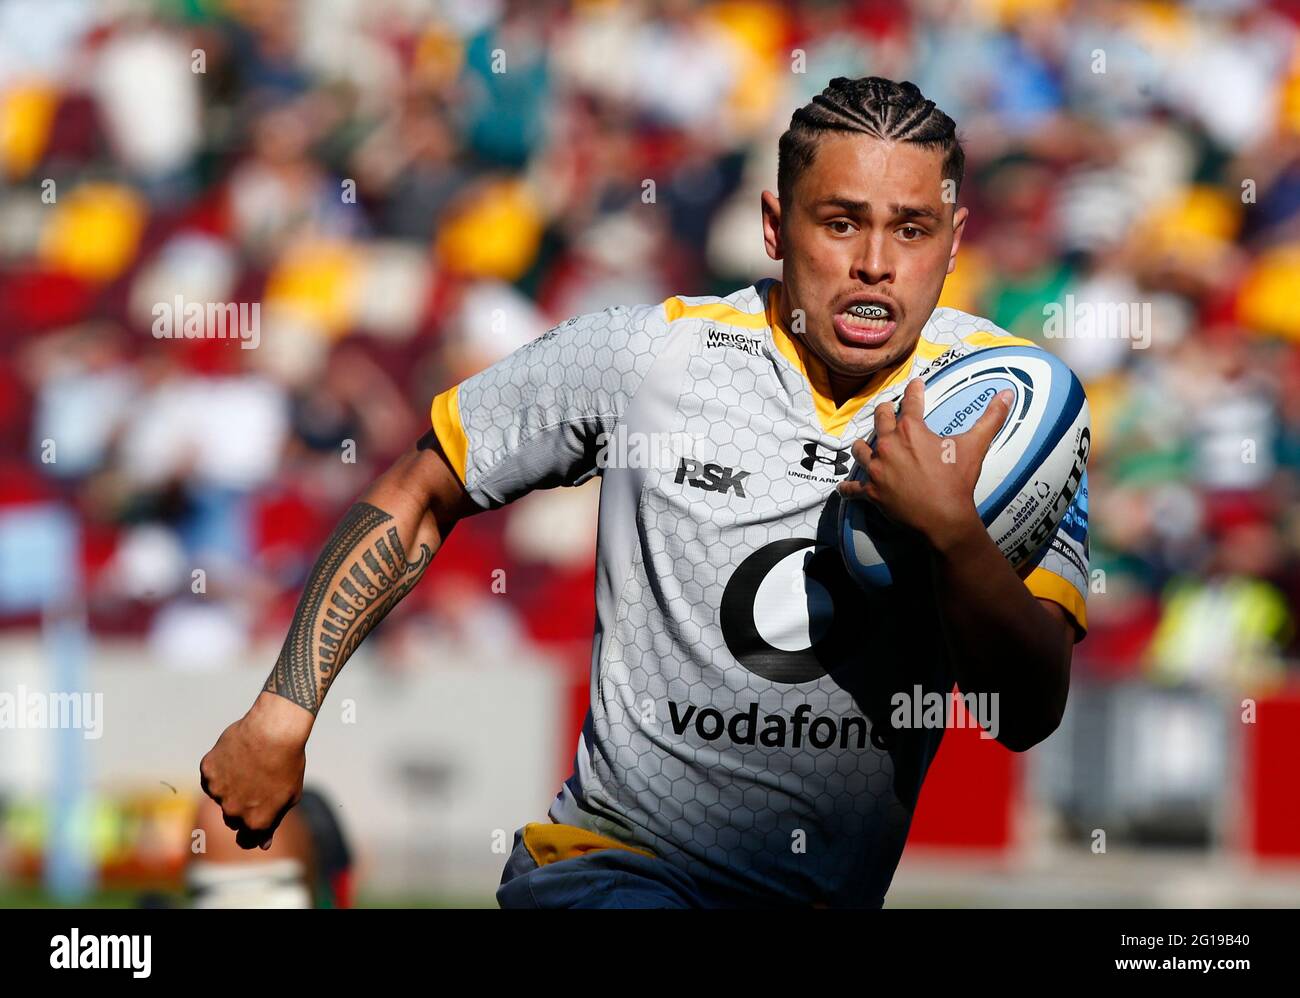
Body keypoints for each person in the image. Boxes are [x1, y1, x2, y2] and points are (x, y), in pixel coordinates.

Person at [200, 77, 1087, 908]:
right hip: (607, 869)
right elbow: (423, 487)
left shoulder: (1016, 412)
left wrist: (955, 535)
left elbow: (1027, 715)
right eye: (841, 222)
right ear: (775, 226)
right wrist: (280, 715)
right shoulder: (647, 359)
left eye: (912, 230)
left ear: (955, 239)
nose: (875, 263)